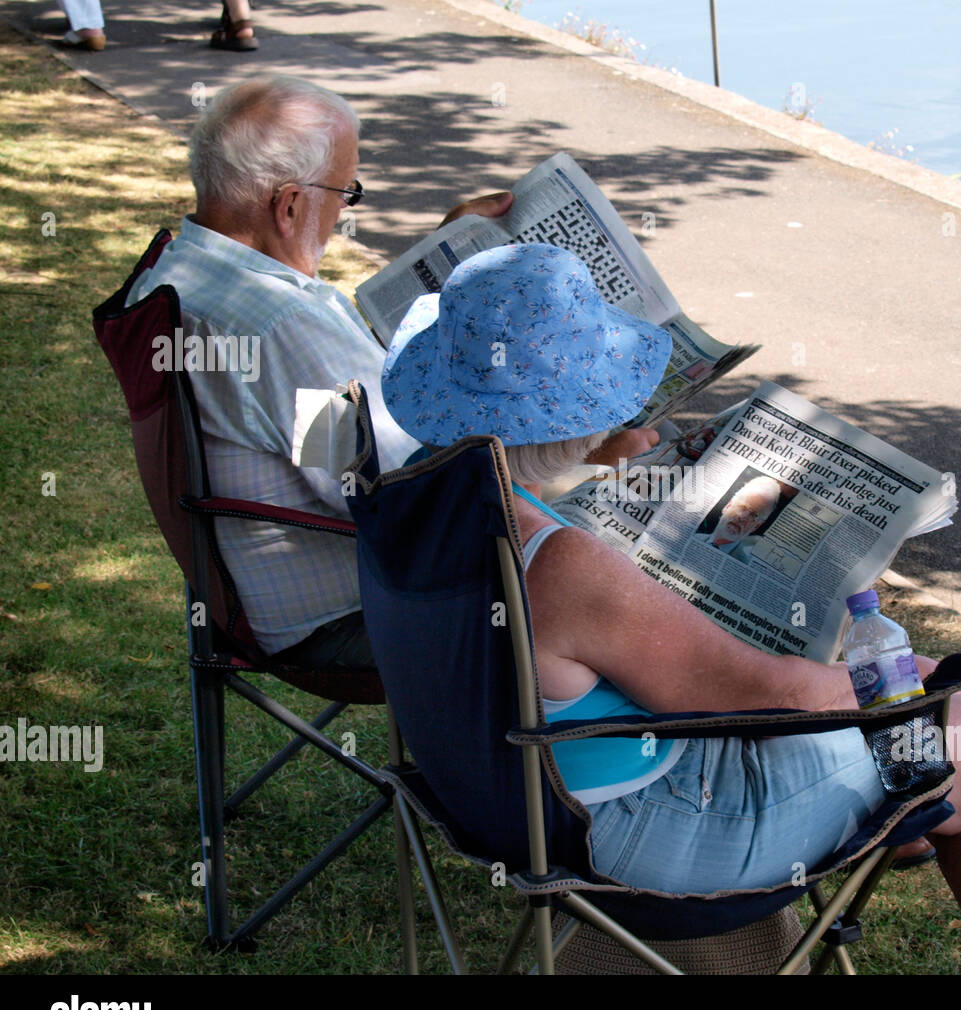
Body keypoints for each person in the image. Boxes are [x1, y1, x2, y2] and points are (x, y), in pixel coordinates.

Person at [381, 241, 961, 975]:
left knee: (932, 755)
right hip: (637, 833)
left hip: (508, 805)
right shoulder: (561, 564)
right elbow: (782, 694)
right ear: (581, 414)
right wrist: (901, 682)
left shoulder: (411, 501)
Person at [125, 75, 653, 669]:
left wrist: (455, 268)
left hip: (263, 593)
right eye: (346, 191)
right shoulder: (280, 327)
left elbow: (323, 429)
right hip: (347, 611)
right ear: (290, 204)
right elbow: (418, 493)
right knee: (632, 556)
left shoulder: (184, 272)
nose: (344, 209)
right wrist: (588, 461)